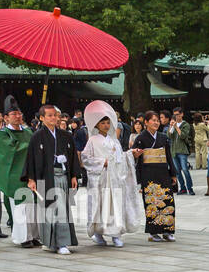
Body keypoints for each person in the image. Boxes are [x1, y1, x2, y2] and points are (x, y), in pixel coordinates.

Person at [79, 100, 139, 248]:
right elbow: (85, 158)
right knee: (100, 206)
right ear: (97, 125)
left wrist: (131, 154)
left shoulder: (115, 141)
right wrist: (102, 162)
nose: (106, 125)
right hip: (101, 179)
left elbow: (121, 157)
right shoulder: (92, 140)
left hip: (116, 179)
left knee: (116, 206)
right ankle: (98, 233)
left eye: (107, 123)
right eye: (103, 123)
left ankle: (116, 234)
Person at [23, 103, 79, 254]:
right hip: (45, 177)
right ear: (42, 118)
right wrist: (31, 179)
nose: (54, 118)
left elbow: (73, 156)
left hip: (62, 176)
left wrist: (74, 175)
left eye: (55, 115)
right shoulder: (36, 137)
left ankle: (61, 242)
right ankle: (52, 242)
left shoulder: (65, 135)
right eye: (50, 115)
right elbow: (31, 159)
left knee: (61, 209)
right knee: (48, 211)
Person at [0, 96, 36, 246]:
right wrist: (31, 146)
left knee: (32, 208)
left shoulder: (28, 132)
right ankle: (22, 237)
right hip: (15, 175)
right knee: (20, 208)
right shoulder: (3, 134)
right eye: (14, 114)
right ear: (6, 118)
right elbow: (11, 151)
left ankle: (33, 235)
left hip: (30, 174)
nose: (18, 117)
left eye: (20, 114)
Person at [132, 110, 177, 241]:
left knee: (168, 200)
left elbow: (169, 156)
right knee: (152, 202)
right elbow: (134, 155)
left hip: (163, 172)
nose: (156, 122)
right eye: (153, 120)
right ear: (146, 122)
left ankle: (168, 231)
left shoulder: (163, 137)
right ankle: (153, 232)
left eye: (158, 120)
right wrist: (136, 154)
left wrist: (173, 174)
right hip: (148, 173)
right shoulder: (140, 138)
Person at [167, 108, 194, 196]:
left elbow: (183, 136)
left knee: (185, 169)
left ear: (182, 114)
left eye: (178, 114)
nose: (176, 116)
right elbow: (169, 136)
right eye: (174, 115)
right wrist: (171, 126)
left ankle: (190, 188)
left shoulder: (185, 124)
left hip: (182, 150)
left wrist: (176, 127)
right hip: (174, 150)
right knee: (177, 171)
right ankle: (182, 188)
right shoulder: (173, 123)